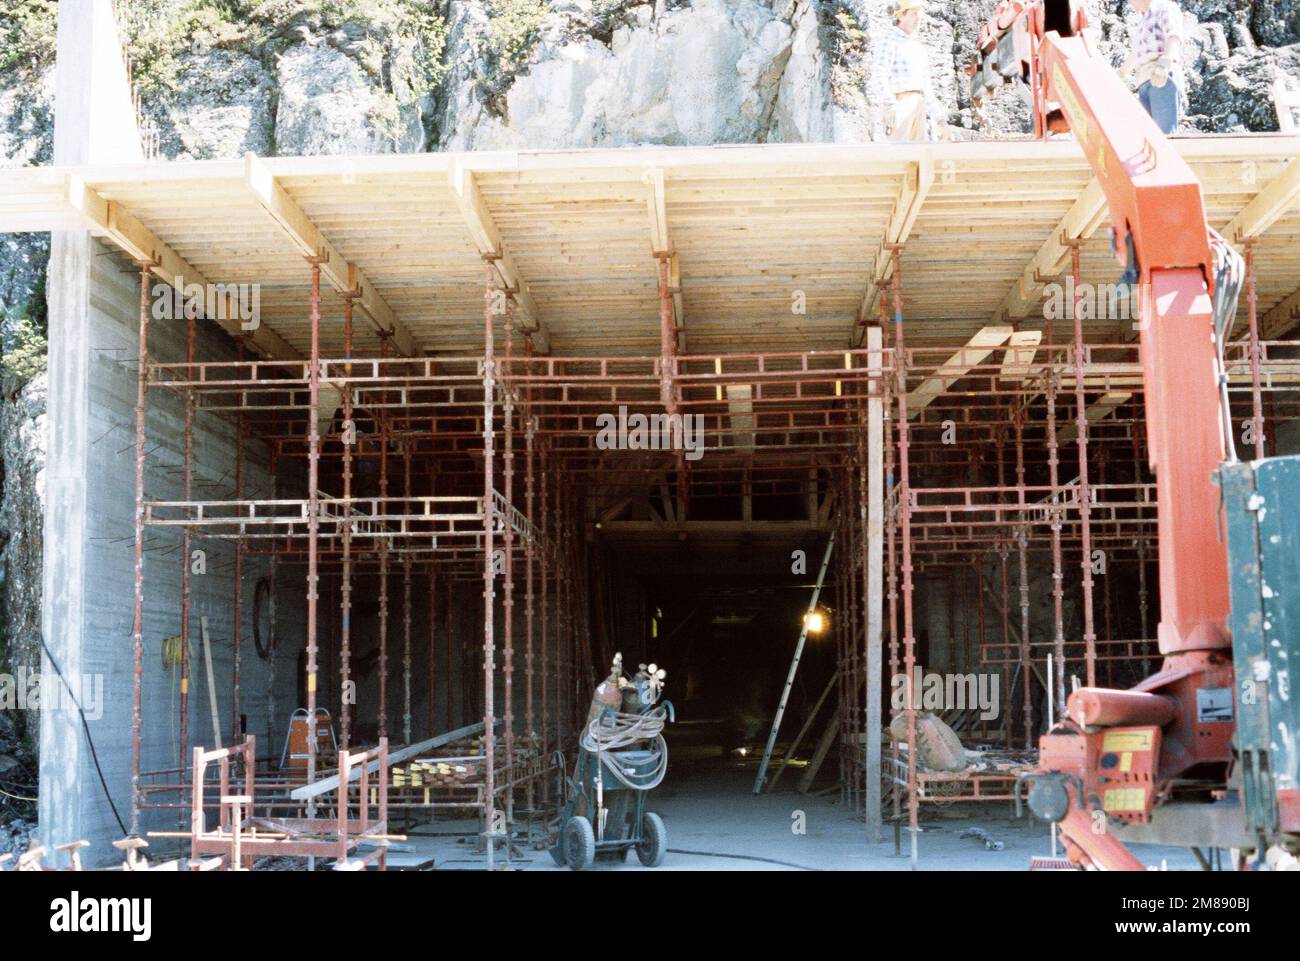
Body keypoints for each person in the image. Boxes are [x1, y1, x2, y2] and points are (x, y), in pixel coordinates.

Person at [870, 0, 933, 142]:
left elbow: (926, 83)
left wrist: (937, 115)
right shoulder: (889, 40)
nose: (919, 17)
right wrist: (890, 104)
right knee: (899, 153)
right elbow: (879, 74)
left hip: (919, 101)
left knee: (920, 155)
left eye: (919, 13)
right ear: (900, 16)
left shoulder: (918, 46)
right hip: (899, 101)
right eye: (914, 13)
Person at [1121, 0, 1185, 134]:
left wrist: (1164, 65)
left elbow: (1174, 36)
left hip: (1160, 74)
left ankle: (1167, 155)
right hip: (1144, 79)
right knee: (1149, 135)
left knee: (1164, 132)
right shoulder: (1143, 20)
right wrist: (1120, 75)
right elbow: (1136, 53)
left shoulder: (1165, 7)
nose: (1129, 3)